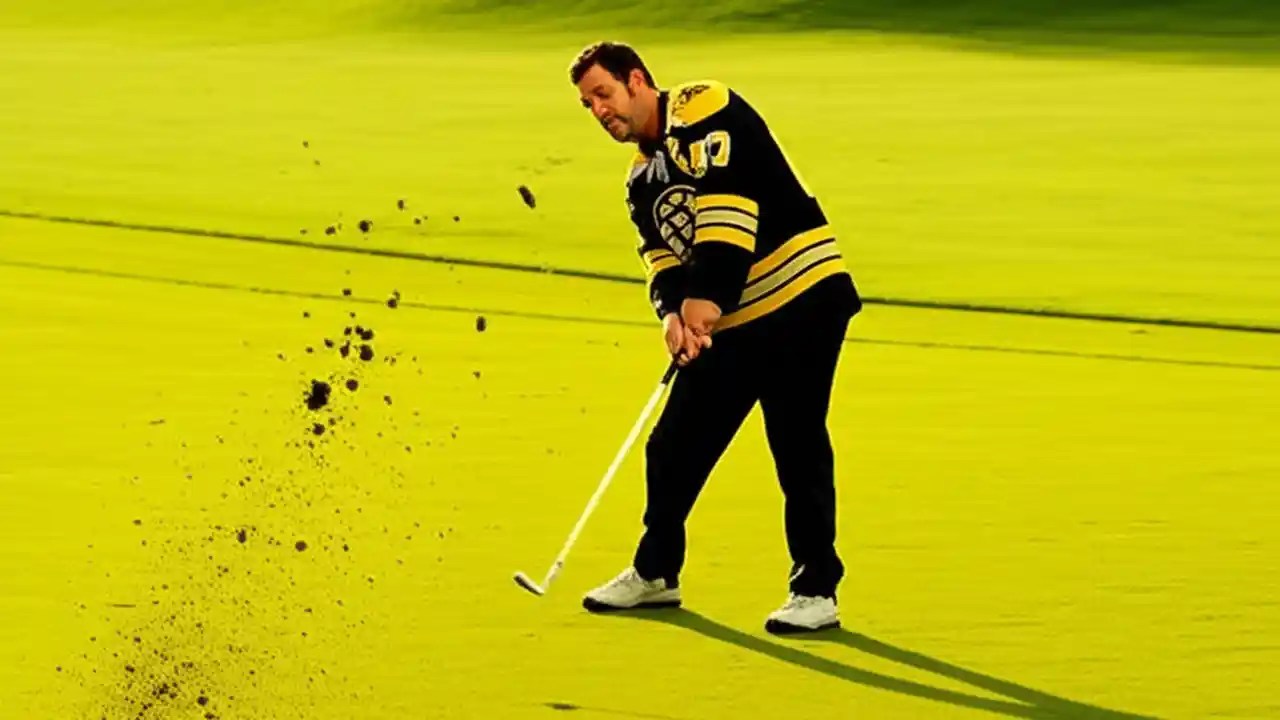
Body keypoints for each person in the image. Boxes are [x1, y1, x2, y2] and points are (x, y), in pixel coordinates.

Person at [569, 41, 862, 634]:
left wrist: (707, 299)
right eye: (586, 104)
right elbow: (661, 260)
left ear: (637, 79)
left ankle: (816, 591)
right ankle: (656, 574)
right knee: (672, 445)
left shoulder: (704, 107)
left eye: (603, 94)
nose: (598, 110)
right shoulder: (638, 181)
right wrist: (673, 315)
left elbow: (733, 206)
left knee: (795, 438)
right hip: (733, 322)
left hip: (801, 297)